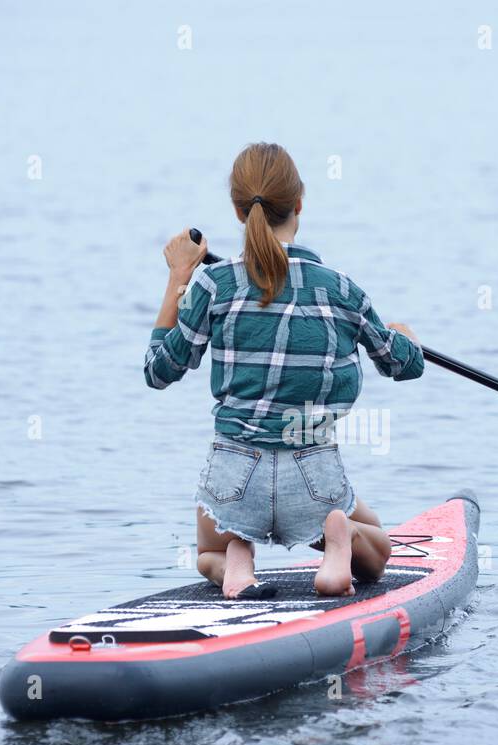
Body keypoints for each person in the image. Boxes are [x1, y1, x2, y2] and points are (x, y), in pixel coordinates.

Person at [144, 143, 424, 598]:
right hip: (312, 473)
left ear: (239, 212)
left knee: (205, 554)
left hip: (235, 476)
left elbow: (158, 371)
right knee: (380, 552)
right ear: (299, 203)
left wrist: (178, 278)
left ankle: (236, 557)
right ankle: (343, 542)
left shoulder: (211, 285)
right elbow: (403, 365)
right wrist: (406, 338)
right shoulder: (341, 288)